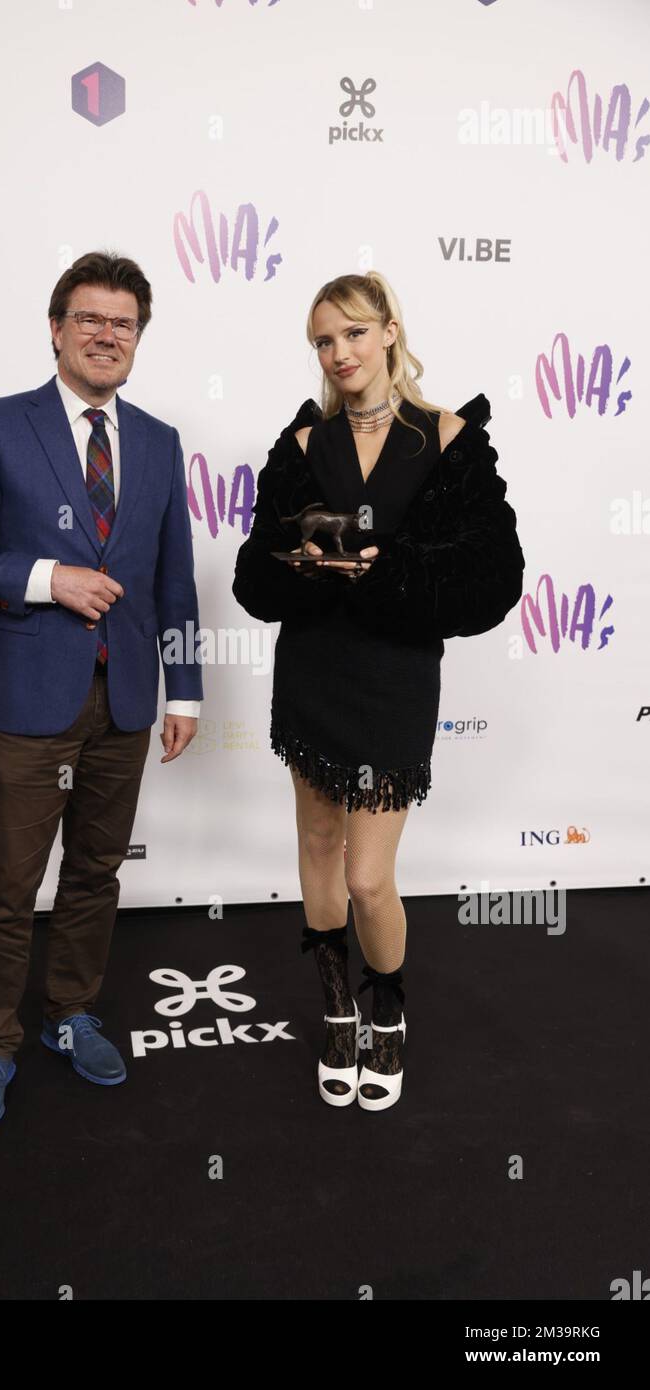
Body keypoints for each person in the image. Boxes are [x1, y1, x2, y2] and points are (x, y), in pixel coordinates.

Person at [232, 271, 524, 1111]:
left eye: (354, 333)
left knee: (369, 879)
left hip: (396, 678)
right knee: (319, 853)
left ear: (389, 332)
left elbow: (492, 574)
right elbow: (257, 575)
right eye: (325, 340)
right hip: (314, 668)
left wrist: (387, 572)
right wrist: (311, 569)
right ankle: (335, 1010)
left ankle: (386, 1013)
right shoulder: (302, 445)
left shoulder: (449, 437)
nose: (340, 352)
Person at [0, 251, 203, 1136]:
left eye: (123, 323)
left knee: (95, 873)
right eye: (89, 318)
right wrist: (51, 577)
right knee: (11, 883)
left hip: (125, 699)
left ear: (138, 338)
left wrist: (185, 691)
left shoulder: (158, 440)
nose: (106, 335)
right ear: (56, 328)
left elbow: (175, 581)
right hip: (28, 696)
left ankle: (71, 1014)